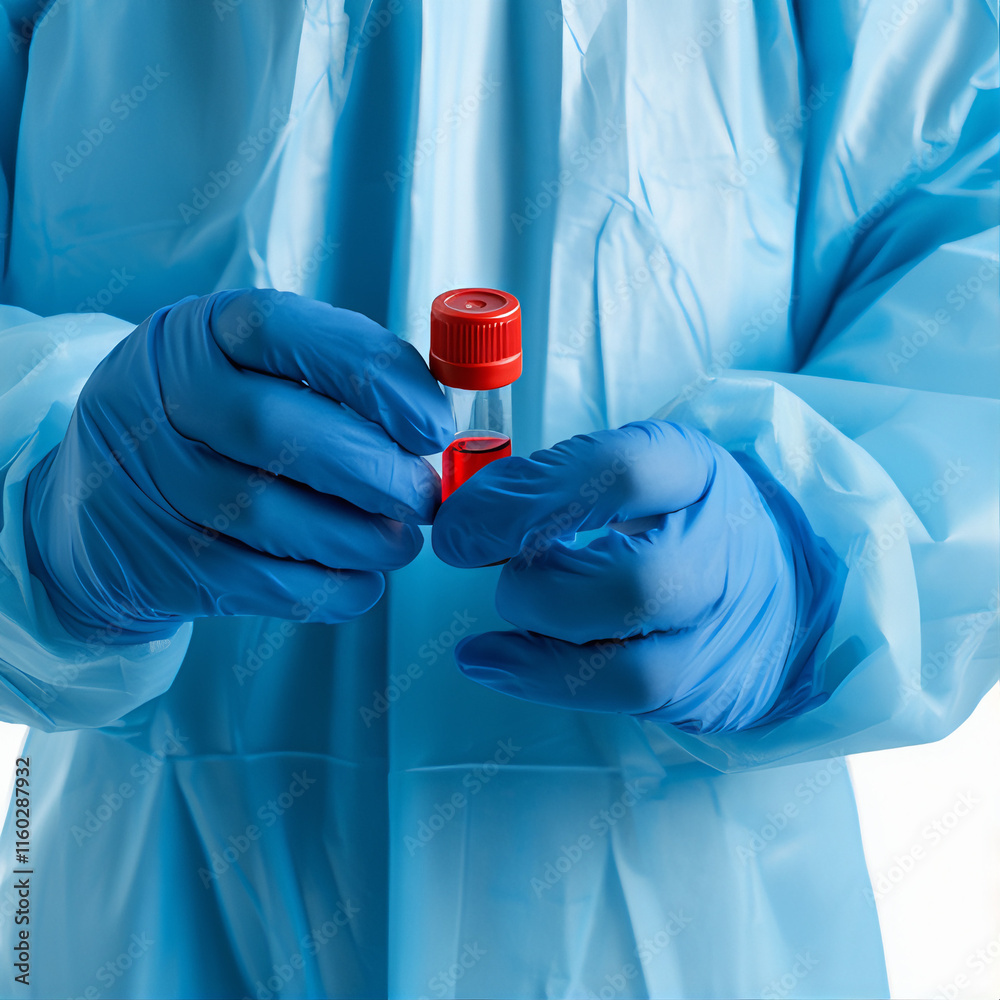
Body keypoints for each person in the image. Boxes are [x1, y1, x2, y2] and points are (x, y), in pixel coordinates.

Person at [0, 1, 996, 997]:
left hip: (694, 914)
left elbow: (970, 192)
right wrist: (46, 499)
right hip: (129, 901)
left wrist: (816, 552)